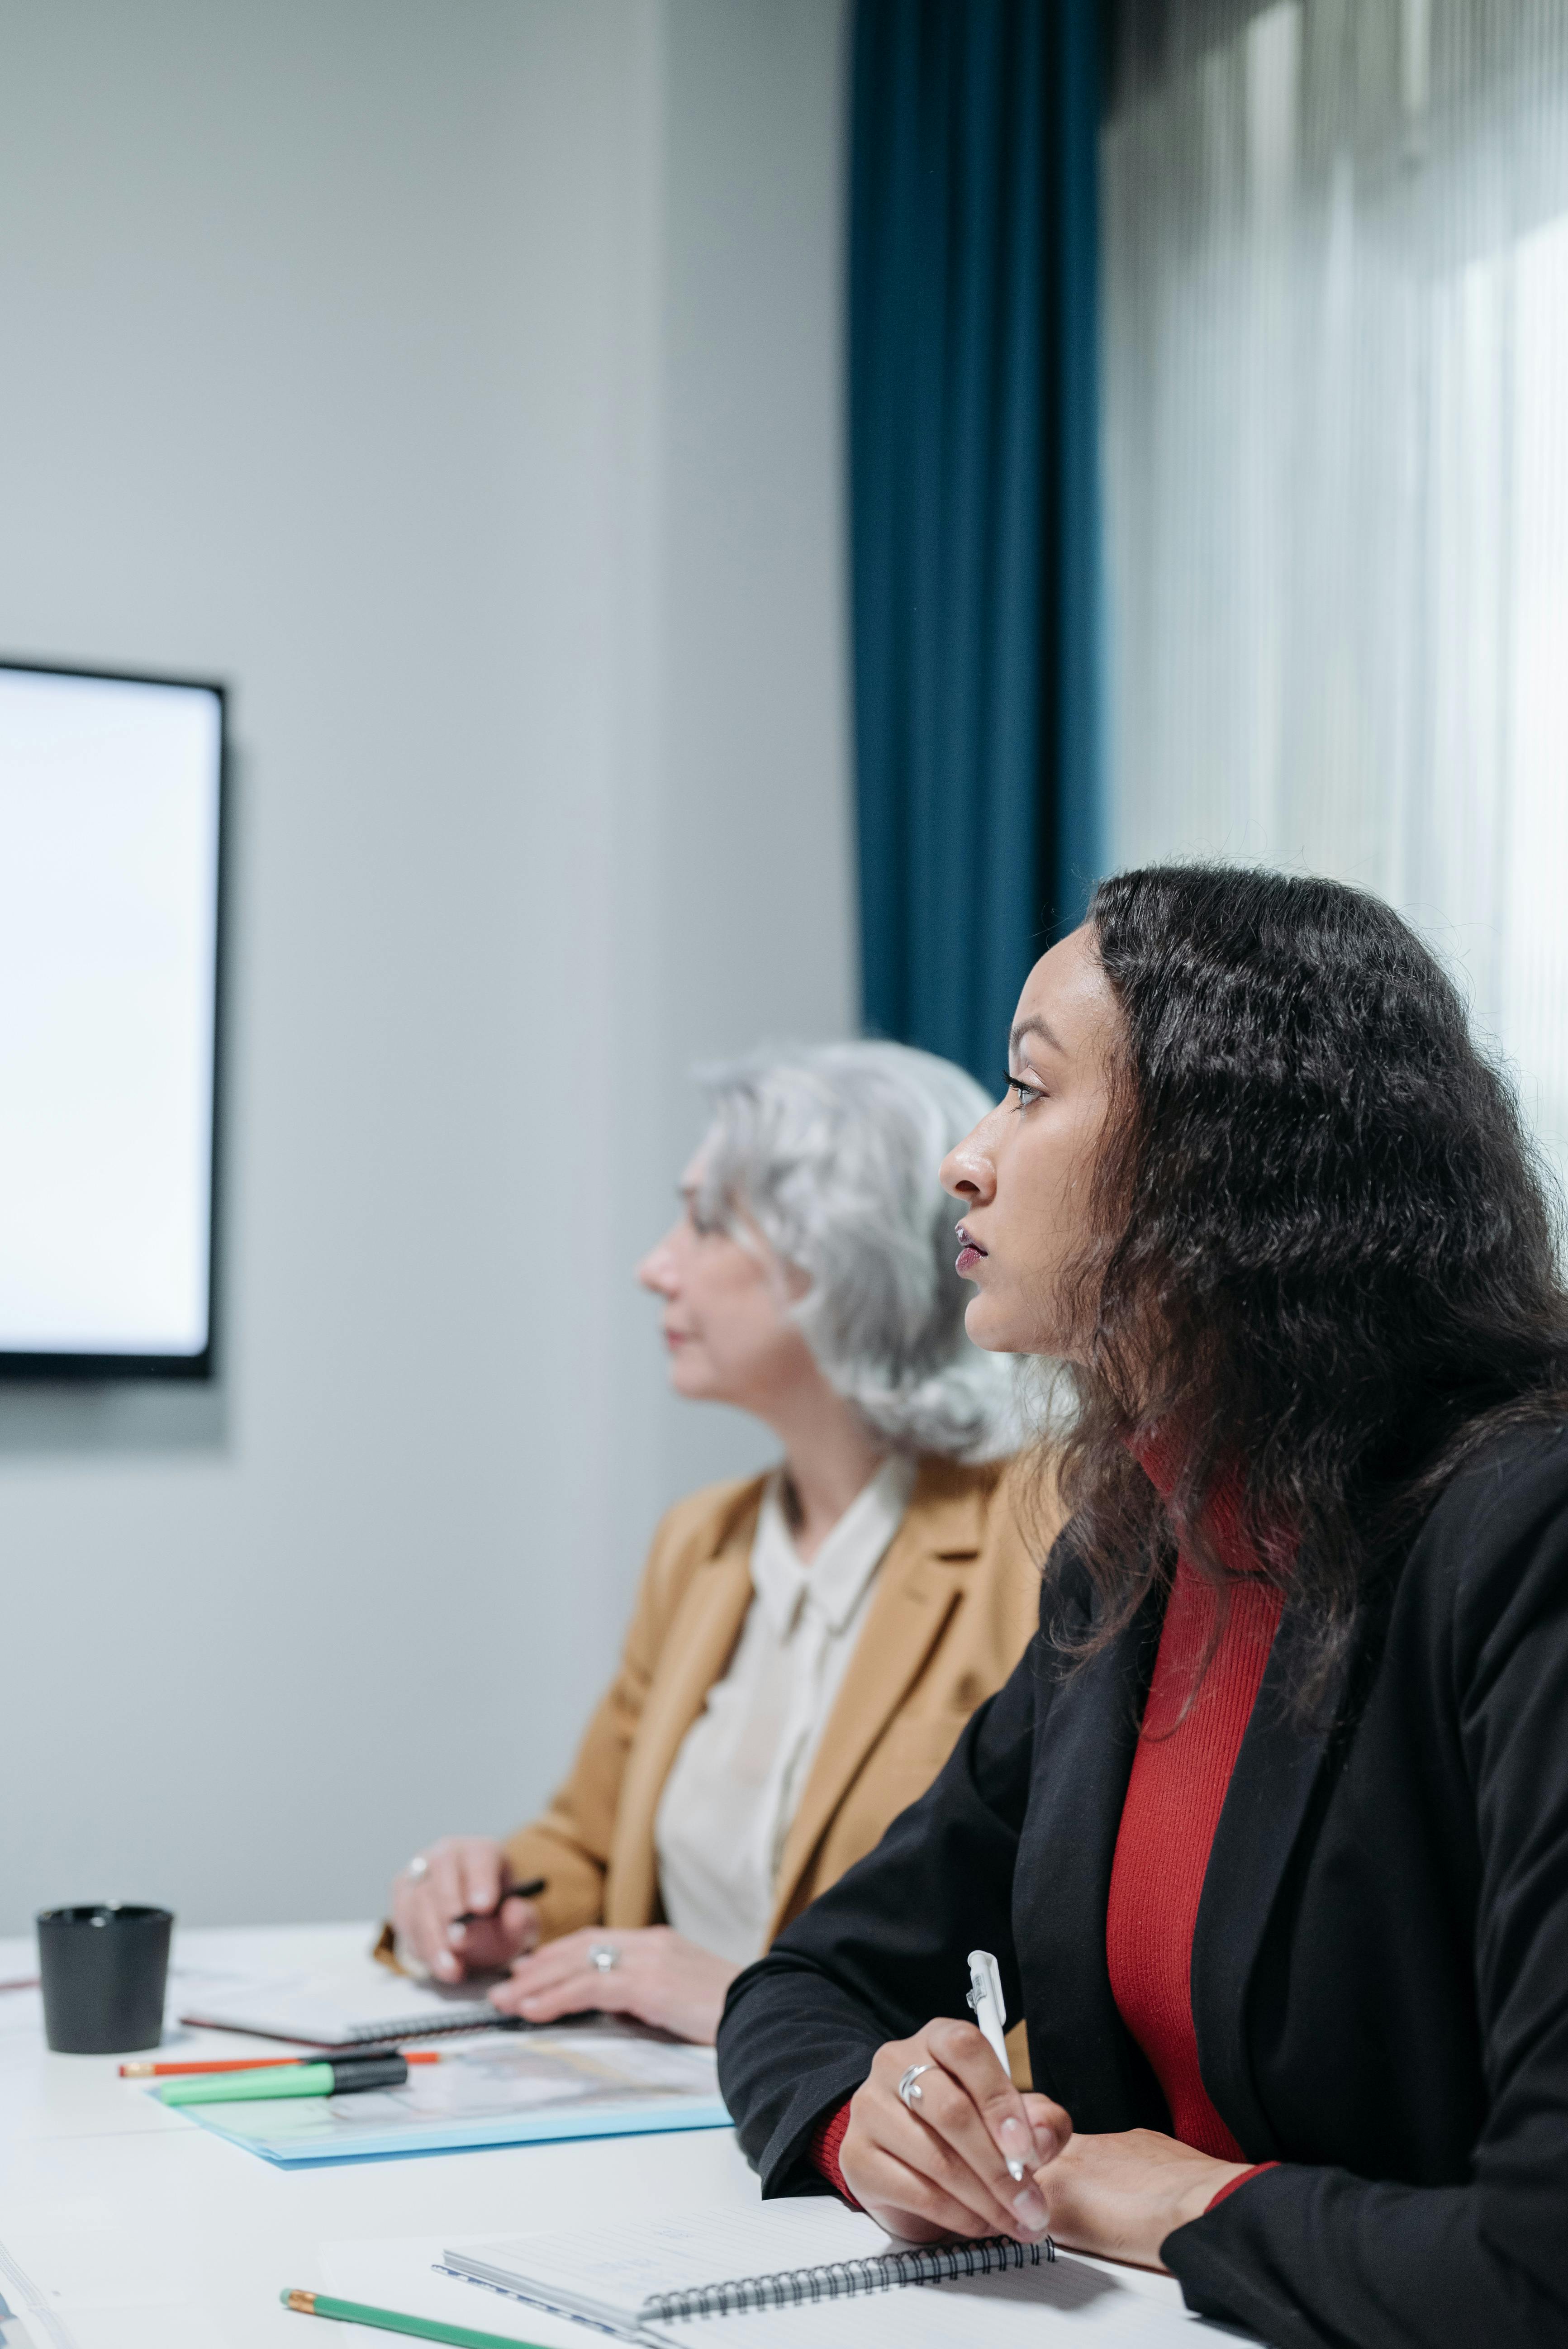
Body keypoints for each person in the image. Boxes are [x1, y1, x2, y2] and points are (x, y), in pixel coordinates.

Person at [717, 867, 1568, 2348]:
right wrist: (881, 2124)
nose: (961, 1163)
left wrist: (1173, 2204)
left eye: (1025, 1091)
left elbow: (1540, 2256)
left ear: (1218, 1157)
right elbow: (806, 1979)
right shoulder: (1127, 1569)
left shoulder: (1520, 1537)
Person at [390, 1041, 1058, 2046]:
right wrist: (492, 1900)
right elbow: (588, 1842)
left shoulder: (1037, 1532)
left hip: (867, 2158)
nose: (654, 1266)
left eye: (706, 1221)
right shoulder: (700, 1544)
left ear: (840, 1258)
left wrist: (754, 2005)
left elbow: (1063, 1961)